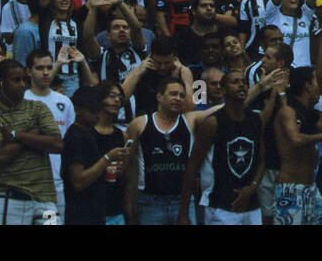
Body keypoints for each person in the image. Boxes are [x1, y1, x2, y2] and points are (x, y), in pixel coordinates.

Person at [0, 58, 61, 225]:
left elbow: (58, 145)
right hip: (10, 196)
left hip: (46, 198)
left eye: (24, 80)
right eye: (16, 80)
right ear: (1, 83)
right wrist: (35, 134)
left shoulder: (38, 108)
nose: (22, 84)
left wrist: (18, 135)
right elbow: (1, 155)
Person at [177, 67, 264, 226]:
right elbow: (192, 165)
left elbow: (262, 160)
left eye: (243, 82)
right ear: (223, 90)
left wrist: (252, 187)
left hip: (252, 206)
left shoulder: (255, 120)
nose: (241, 85)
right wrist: (183, 212)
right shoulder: (212, 123)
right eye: (235, 82)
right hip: (220, 206)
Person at [124, 75, 197, 225]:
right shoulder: (139, 124)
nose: (178, 98)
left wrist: (186, 76)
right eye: (173, 94)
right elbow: (129, 168)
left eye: (182, 95)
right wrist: (129, 203)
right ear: (159, 96)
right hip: (150, 201)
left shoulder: (190, 121)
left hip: (183, 201)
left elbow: (223, 108)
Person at [62, 82, 132, 226]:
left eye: (97, 109)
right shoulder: (76, 135)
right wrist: (108, 158)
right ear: (78, 110)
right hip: (81, 215)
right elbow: (77, 181)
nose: (96, 114)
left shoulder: (86, 134)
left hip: (104, 211)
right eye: (92, 110)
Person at [272, 65, 322, 225]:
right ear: (307, 85)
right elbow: (296, 139)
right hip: (291, 189)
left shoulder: (310, 115)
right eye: (316, 82)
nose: (319, 88)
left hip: (311, 189)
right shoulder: (288, 112)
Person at [24, 48, 75, 224]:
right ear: (28, 71)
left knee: (51, 223)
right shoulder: (21, 101)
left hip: (55, 185)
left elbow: (70, 143)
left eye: (48, 67)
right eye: (39, 68)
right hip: (25, 183)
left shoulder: (64, 102)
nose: (45, 72)